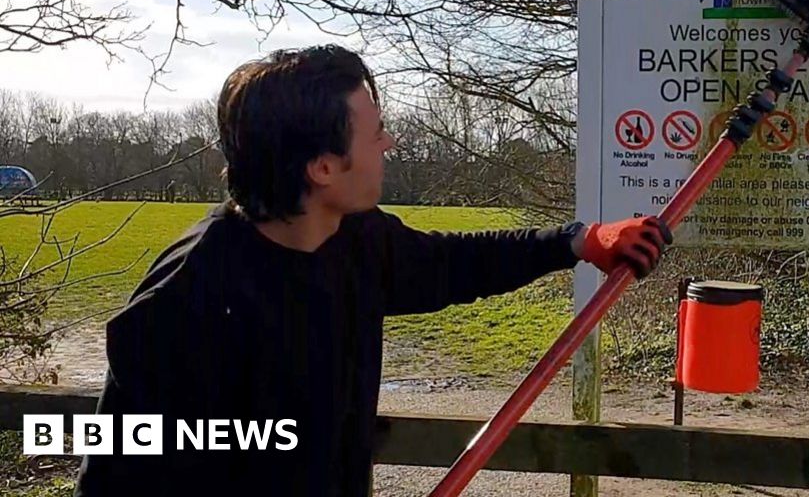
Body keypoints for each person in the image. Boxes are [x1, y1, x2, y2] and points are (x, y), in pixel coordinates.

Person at [73, 44, 672, 497]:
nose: (389, 143)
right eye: (376, 131)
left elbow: (449, 263)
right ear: (323, 168)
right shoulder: (189, 297)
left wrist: (577, 242)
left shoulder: (354, 238)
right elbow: (118, 470)